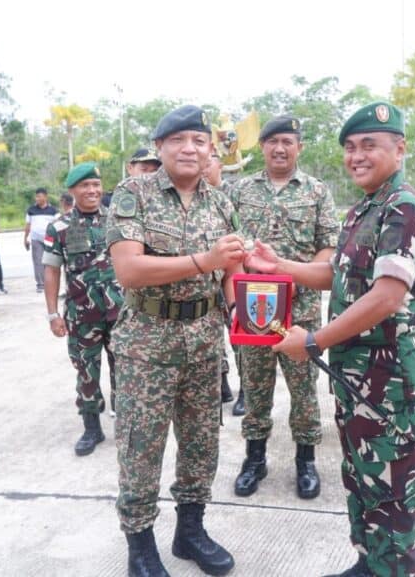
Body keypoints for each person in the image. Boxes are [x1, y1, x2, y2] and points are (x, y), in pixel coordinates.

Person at [246, 102, 415, 577]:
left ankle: (394, 567)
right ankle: (369, 562)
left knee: (390, 482)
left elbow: (387, 296)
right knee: (363, 476)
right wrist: (280, 266)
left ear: (399, 148)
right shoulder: (365, 208)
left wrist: (315, 341)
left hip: (387, 376)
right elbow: (338, 274)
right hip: (356, 374)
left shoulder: (402, 208)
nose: (357, 156)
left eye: (369, 145)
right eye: (350, 148)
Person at [106, 105, 243, 577]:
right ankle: (140, 544)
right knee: (141, 445)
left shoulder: (221, 202)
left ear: (210, 150)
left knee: (202, 442)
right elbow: (130, 269)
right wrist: (204, 260)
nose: (190, 148)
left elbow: (232, 268)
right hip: (147, 343)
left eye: (199, 141)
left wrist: (243, 311)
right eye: (179, 139)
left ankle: (191, 531)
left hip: (205, 342)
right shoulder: (133, 193)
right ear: (160, 147)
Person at [229, 115, 339, 500]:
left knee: (304, 391)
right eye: (273, 141)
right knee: (255, 387)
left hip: (301, 309)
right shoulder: (240, 191)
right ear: (261, 146)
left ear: (299, 147)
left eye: (288, 141)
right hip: (253, 310)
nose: (280, 148)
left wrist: (298, 275)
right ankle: (254, 459)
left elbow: (328, 245)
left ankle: (305, 461)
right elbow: (229, 243)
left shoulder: (316, 191)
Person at [43, 162, 124, 456]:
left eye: (95, 185)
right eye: (84, 186)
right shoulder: (60, 227)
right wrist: (53, 314)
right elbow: (51, 272)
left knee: (125, 370)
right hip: (81, 316)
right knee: (86, 372)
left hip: (120, 314)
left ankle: (125, 426)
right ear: (72, 191)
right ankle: (92, 429)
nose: (92, 191)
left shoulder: (119, 221)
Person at [202, 150, 244, 413]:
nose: (204, 169)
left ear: (220, 166)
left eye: (209, 163)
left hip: (232, 275)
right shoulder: (194, 197)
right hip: (207, 280)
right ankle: (222, 382)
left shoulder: (234, 195)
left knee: (239, 335)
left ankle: (246, 392)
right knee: (213, 338)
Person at [24, 187, 57, 293]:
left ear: (45, 197)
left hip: (49, 238)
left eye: (39, 196)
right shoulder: (31, 210)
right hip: (36, 239)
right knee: (38, 261)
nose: (37, 198)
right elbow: (28, 225)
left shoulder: (53, 211)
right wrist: (25, 238)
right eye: (36, 196)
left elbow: (58, 225)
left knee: (49, 261)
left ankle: (50, 282)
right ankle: (40, 284)